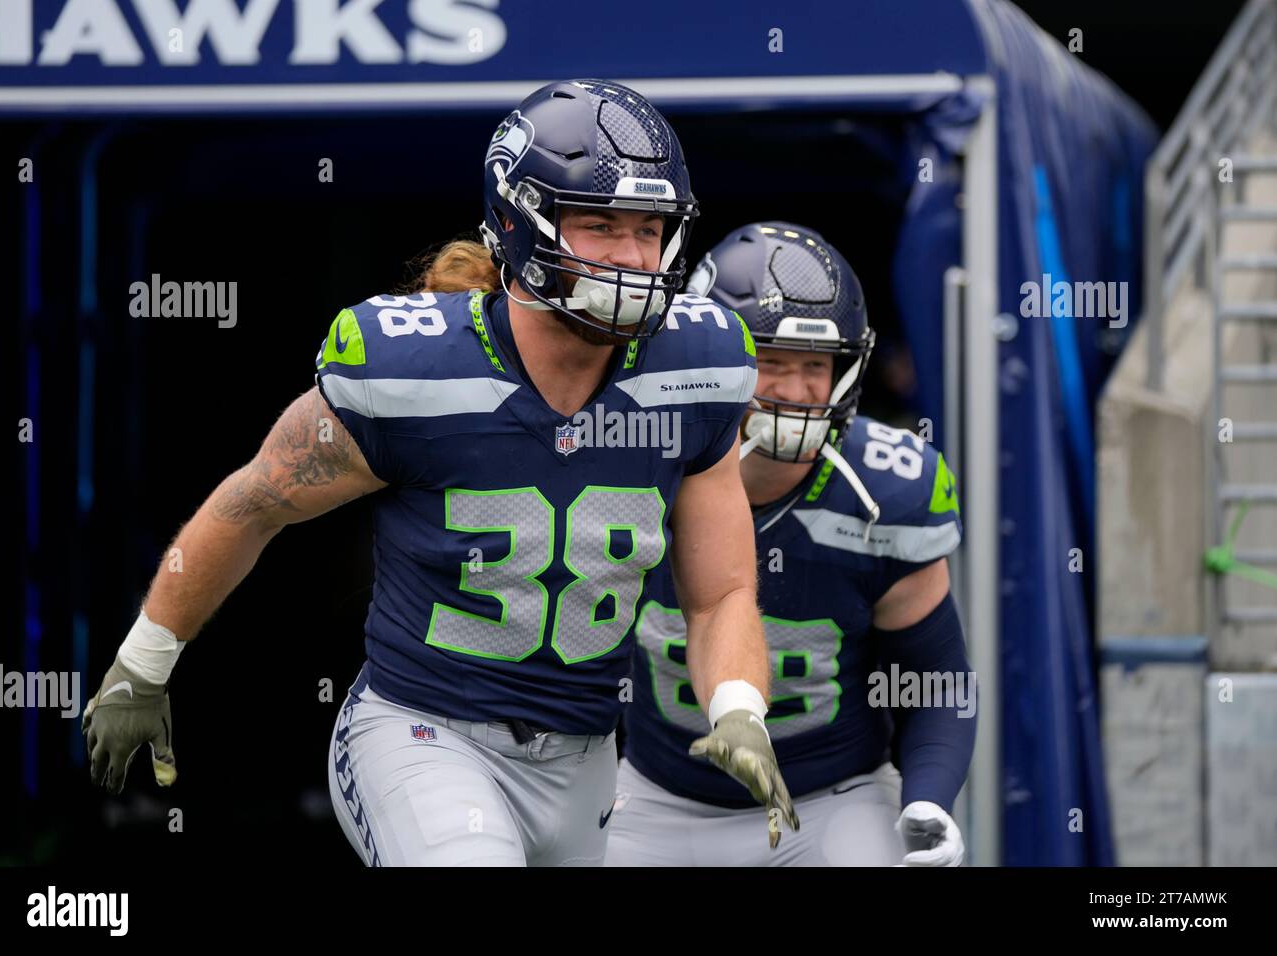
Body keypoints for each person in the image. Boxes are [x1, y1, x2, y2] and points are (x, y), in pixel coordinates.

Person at [81, 80, 798, 866]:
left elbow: (723, 588)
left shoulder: (698, 367)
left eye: (648, 229)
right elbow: (252, 506)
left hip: (586, 757)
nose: (632, 257)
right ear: (519, 221)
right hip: (422, 732)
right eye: (601, 225)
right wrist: (141, 666)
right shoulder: (413, 369)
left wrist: (737, 707)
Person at [606, 223, 974, 866]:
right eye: (771, 361)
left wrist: (929, 799)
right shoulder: (634, 456)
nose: (798, 392)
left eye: (816, 366)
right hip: (654, 797)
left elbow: (936, 682)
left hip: (832, 800)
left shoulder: (890, 495)